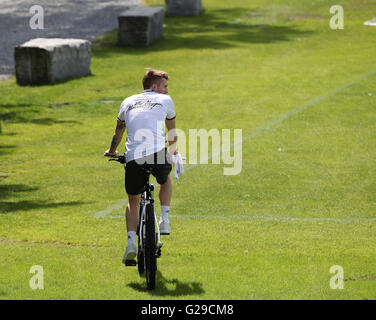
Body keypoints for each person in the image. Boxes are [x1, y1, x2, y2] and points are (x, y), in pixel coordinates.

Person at [104, 69, 178, 265]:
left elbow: (118, 133)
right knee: (165, 180)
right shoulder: (166, 101)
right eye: (165, 86)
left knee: (133, 201)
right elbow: (172, 132)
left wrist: (112, 151)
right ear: (154, 86)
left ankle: (130, 243)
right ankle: (165, 220)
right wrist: (174, 153)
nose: (167, 90)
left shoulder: (127, 101)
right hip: (157, 154)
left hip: (134, 158)